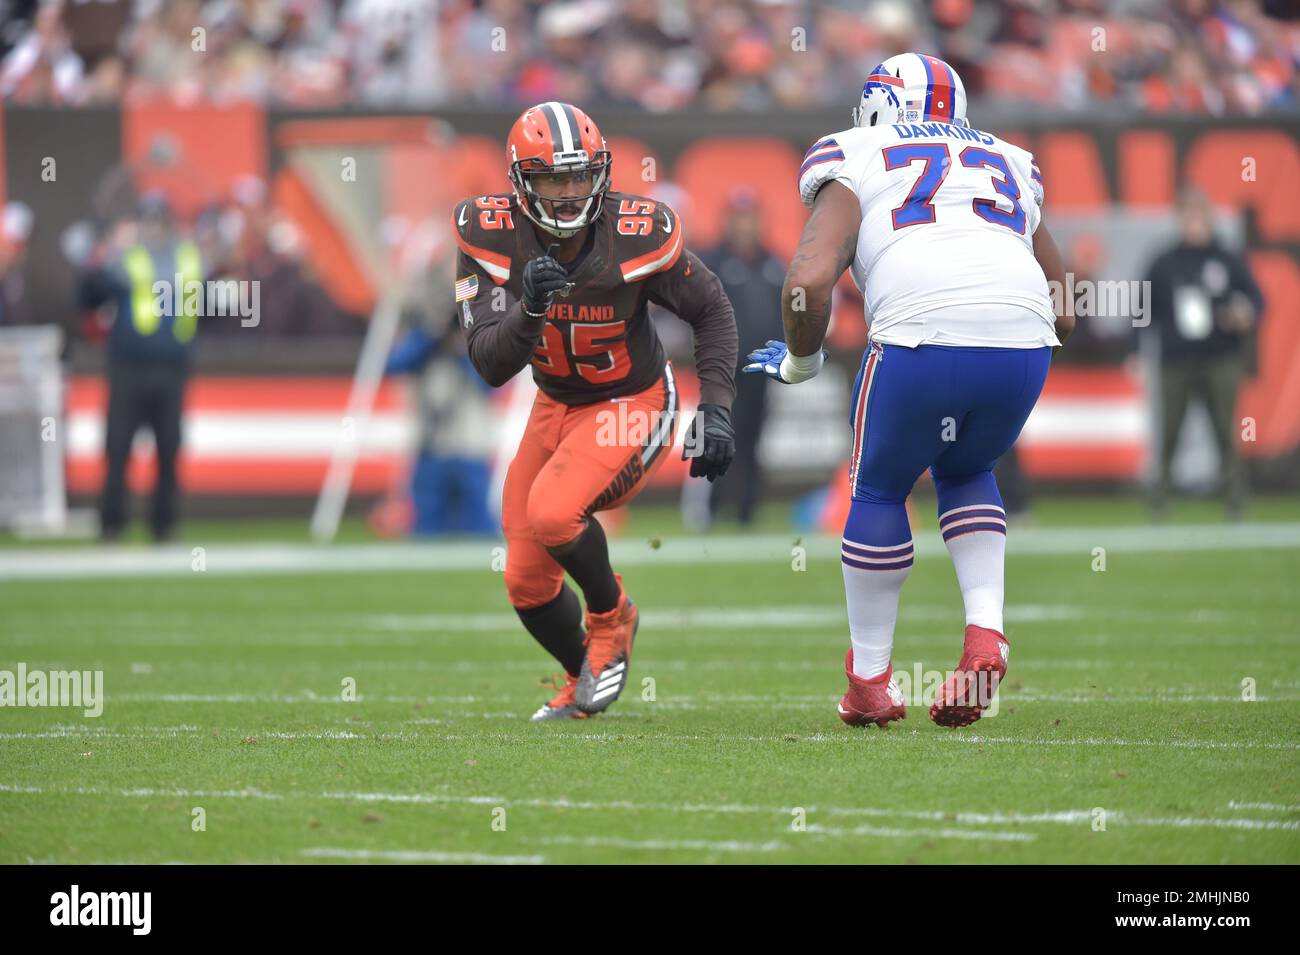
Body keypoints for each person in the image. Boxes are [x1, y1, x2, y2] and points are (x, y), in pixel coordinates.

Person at [745, 53, 1072, 729]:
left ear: (878, 107)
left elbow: (806, 282)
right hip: (1026, 342)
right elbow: (1067, 304)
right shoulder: (1009, 157)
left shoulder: (856, 150)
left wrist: (799, 366)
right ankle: (986, 631)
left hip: (922, 335)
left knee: (878, 484)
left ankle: (870, 679)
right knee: (968, 466)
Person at [452, 102, 737, 720]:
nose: (570, 191)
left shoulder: (636, 230)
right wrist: (527, 310)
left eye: (580, 175)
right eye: (553, 178)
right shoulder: (487, 231)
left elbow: (711, 307)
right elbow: (490, 364)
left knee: (553, 513)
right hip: (554, 404)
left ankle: (614, 618)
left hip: (631, 400)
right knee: (525, 580)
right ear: (521, 181)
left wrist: (715, 405)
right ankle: (584, 679)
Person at [79, 194, 202, 542]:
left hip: (171, 366)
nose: (153, 228)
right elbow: (90, 297)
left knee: (168, 449)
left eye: (158, 220)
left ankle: (164, 526)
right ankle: (113, 524)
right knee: (118, 448)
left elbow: (213, 300)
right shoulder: (125, 258)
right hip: (129, 366)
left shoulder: (187, 257)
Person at [1144, 188, 1262, 521]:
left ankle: (1235, 498)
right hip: (1176, 360)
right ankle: (1160, 498)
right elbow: (1143, 306)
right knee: (1170, 430)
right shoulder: (1164, 261)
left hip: (1220, 357)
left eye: (1199, 215)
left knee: (1225, 430)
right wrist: (1136, 349)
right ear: (1180, 220)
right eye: (1187, 216)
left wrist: (1244, 313)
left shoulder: (1227, 258)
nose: (1193, 223)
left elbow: (1256, 299)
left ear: (1208, 218)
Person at [694, 186, 785, 528]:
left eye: (751, 218)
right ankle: (709, 510)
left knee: (752, 438)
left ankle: (748, 512)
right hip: (723, 370)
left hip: (761, 368)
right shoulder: (713, 262)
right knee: (716, 435)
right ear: (729, 221)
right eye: (739, 218)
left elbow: (787, 312)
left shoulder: (772, 264)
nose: (745, 226)